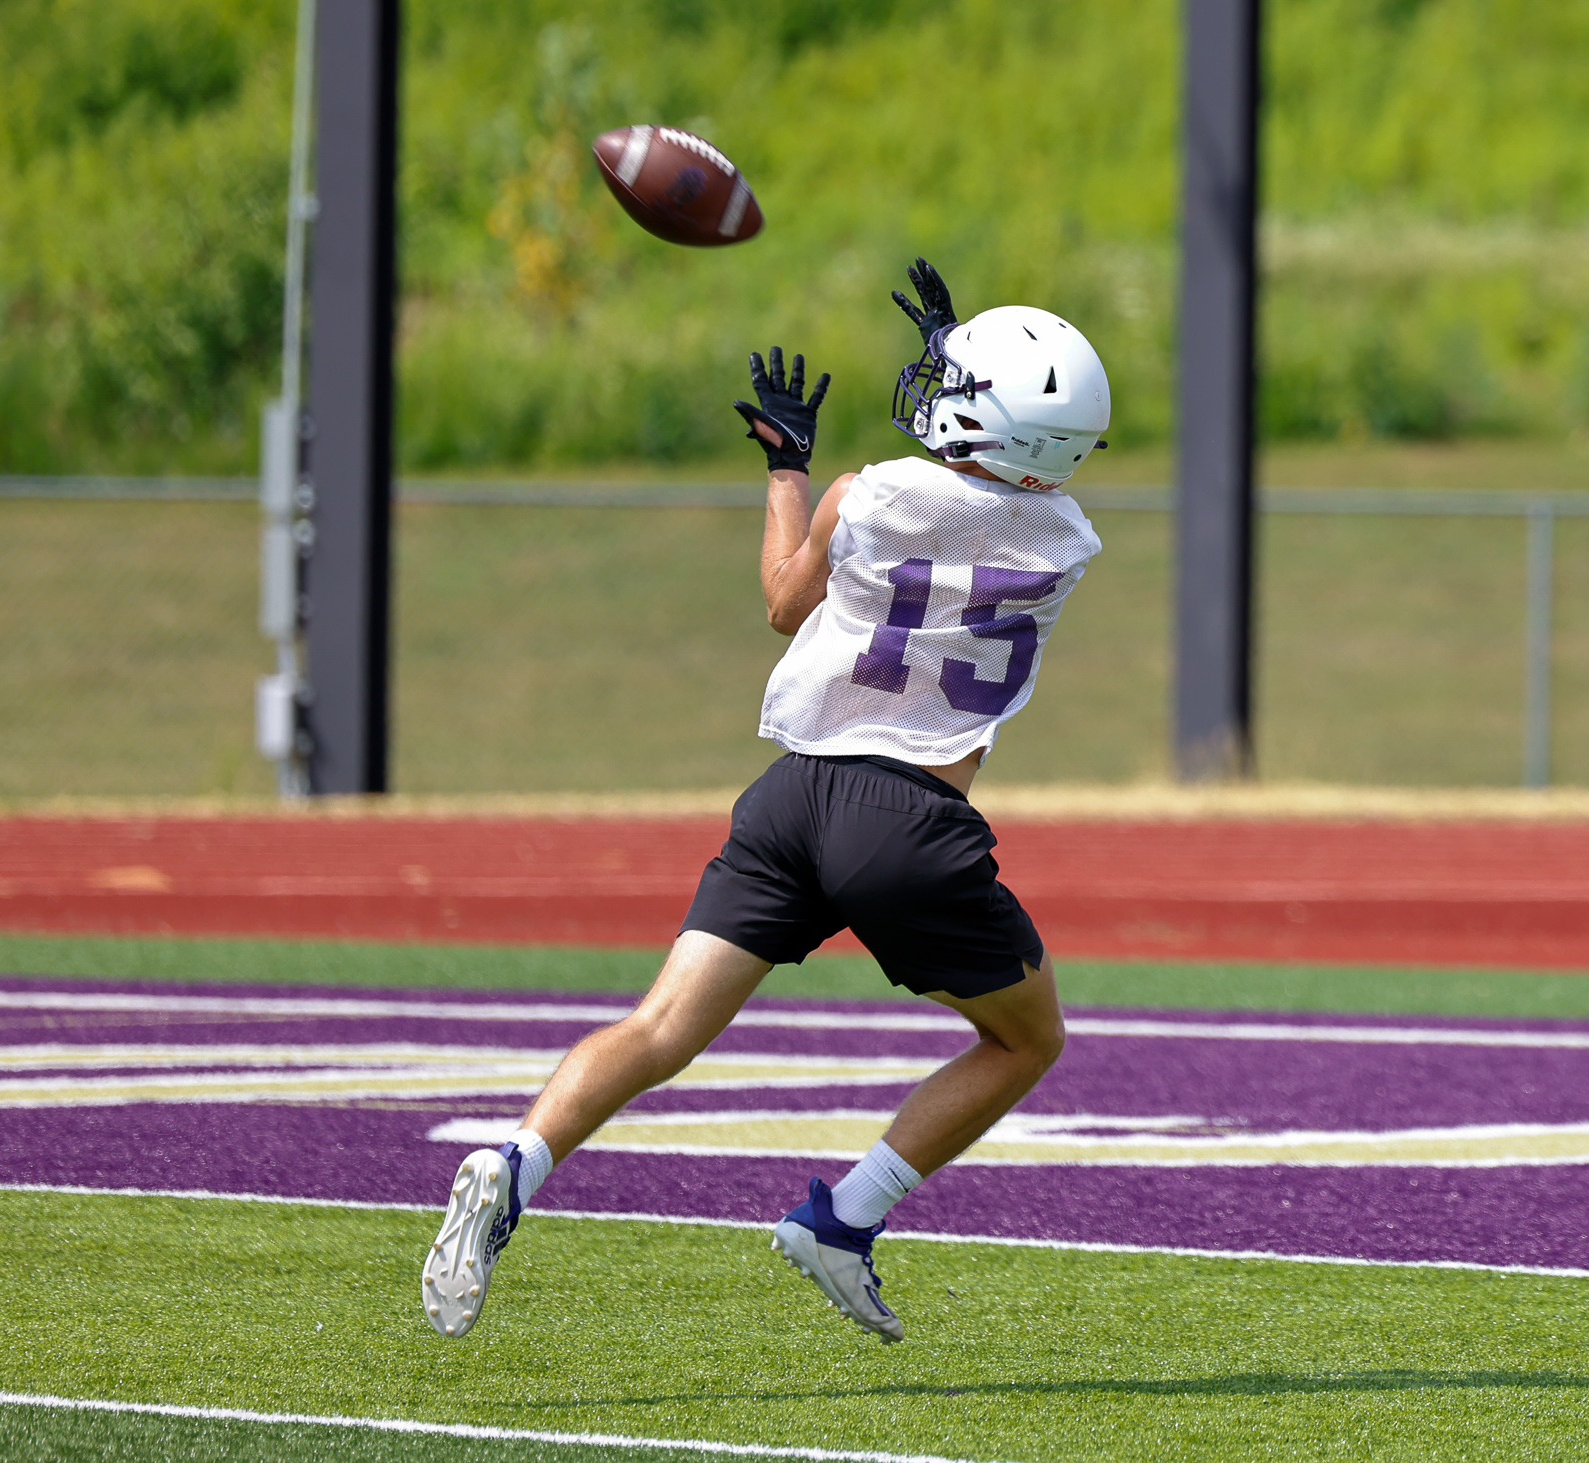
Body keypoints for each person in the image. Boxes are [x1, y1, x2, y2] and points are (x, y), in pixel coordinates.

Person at [421, 259, 1109, 1345]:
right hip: (911, 822)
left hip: (791, 796)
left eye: (951, 383)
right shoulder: (1066, 542)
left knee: (657, 1027)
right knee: (1028, 1040)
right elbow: (993, 489)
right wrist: (976, 379)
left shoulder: (863, 491)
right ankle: (845, 1216)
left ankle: (515, 1159)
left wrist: (788, 466)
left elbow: (787, 600)